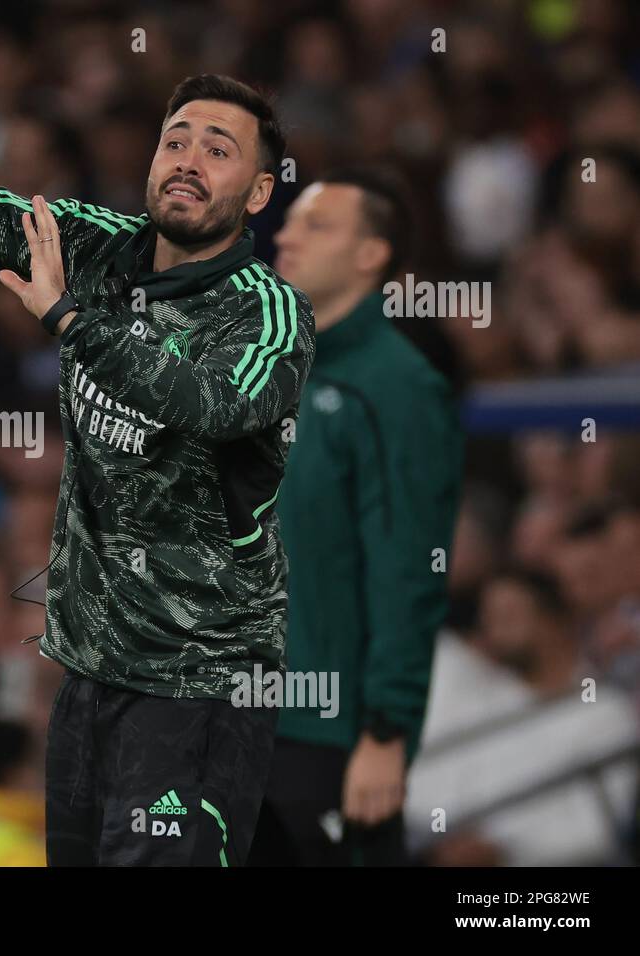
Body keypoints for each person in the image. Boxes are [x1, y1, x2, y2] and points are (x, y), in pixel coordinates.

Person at [0, 74, 314, 866]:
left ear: (260, 191)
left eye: (219, 150)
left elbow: (210, 404)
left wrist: (70, 321)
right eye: (177, 141)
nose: (189, 161)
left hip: (200, 681)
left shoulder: (269, 313)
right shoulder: (92, 242)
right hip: (89, 669)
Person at [249, 168, 463, 866]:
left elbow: (411, 569)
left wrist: (385, 730)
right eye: (289, 221)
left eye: (317, 224)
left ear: (372, 254)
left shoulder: (399, 386)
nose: (284, 234)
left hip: (327, 735)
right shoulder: (264, 368)